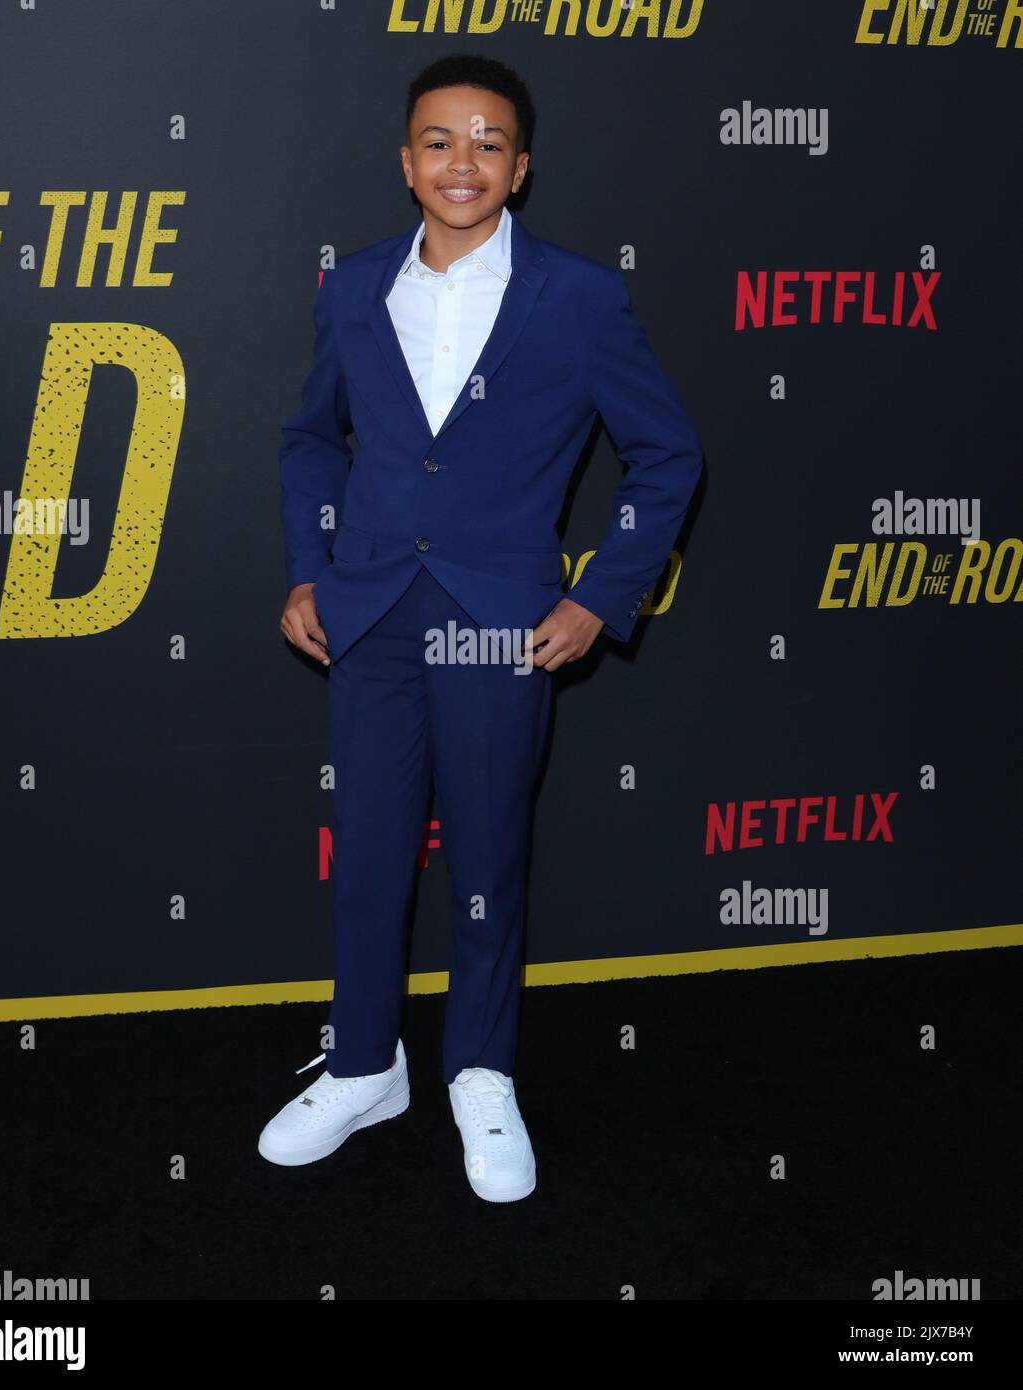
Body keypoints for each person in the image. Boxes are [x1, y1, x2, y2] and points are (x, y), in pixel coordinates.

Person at [258, 53, 703, 1202]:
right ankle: (364, 1064)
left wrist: (600, 596)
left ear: (523, 165)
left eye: (490, 141)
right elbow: (312, 438)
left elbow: (667, 453)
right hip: (366, 618)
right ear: (407, 162)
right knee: (366, 856)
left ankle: (481, 1072)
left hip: (501, 626)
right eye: (441, 141)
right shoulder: (352, 286)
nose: (465, 161)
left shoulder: (579, 296)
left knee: (489, 857)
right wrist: (310, 566)